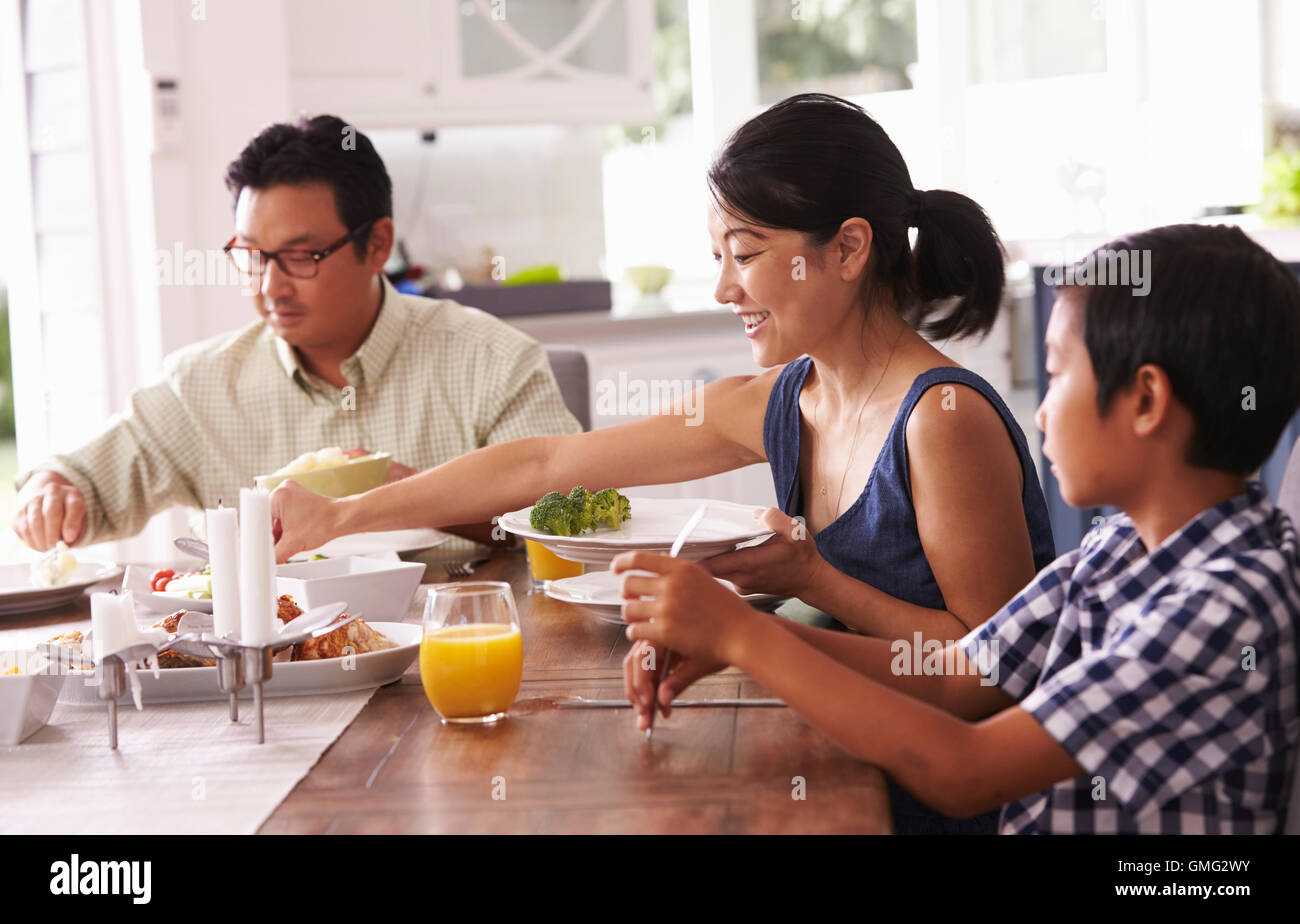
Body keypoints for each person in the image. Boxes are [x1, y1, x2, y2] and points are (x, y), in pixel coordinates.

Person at [270, 94, 1056, 833]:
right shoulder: (783, 399)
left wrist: (787, 602)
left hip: (942, 804)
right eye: (718, 257)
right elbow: (550, 462)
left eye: (744, 255)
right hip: (851, 750)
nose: (722, 288)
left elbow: (985, 678)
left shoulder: (943, 422)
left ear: (847, 248)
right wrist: (338, 516)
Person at [619, 224, 1300, 833]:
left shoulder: (1226, 607)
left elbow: (966, 773)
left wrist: (740, 632)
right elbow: (952, 675)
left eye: (1058, 377)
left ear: (1146, 399)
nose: (1039, 414)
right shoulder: (1123, 546)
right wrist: (751, 642)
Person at [11, 115, 581, 554]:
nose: (271, 286)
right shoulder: (204, 386)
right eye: (253, 256)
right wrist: (51, 491)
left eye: (302, 256)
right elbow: (79, 478)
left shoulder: (490, 361)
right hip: (276, 675)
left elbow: (570, 521)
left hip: (456, 650)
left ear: (377, 245)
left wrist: (407, 494)